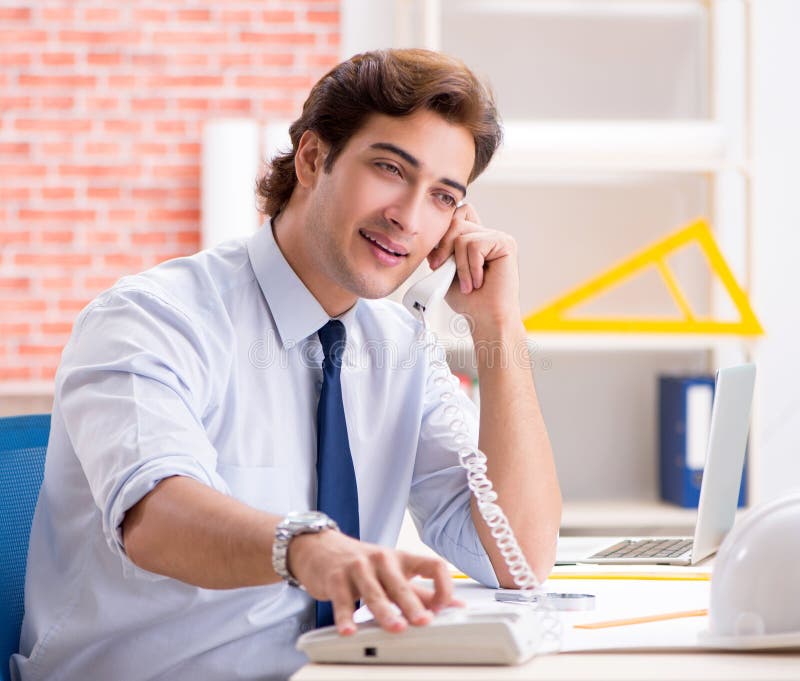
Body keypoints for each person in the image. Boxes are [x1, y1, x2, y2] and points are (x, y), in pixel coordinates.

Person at [12, 49, 561, 681]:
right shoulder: (149, 319)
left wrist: (497, 327)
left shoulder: (400, 345)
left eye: (442, 197)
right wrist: (307, 550)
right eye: (389, 168)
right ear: (311, 158)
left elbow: (520, 557)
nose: (408, 217)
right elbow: (154, 518)